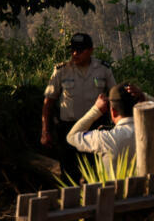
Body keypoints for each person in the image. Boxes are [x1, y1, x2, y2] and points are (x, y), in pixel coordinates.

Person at [41, 32, 116, 180]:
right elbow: (48, 102)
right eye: (72, 50)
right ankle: (71, 201)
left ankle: (96, 201)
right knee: (69, 174)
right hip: (68, 129)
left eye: (80, 51)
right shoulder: (61, 71)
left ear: (90, 50)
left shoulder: (103, 69)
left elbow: (114, 97)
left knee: (96, 172)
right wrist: (45, 131)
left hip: (95, 129)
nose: (75, 54)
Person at [66, 82, 154, 178]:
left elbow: (72, 136)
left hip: (116, 195)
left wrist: (96, 110)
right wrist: (144, 96)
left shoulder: (106, 139)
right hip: (150, 193)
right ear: (138, 105)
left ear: (113, 112)